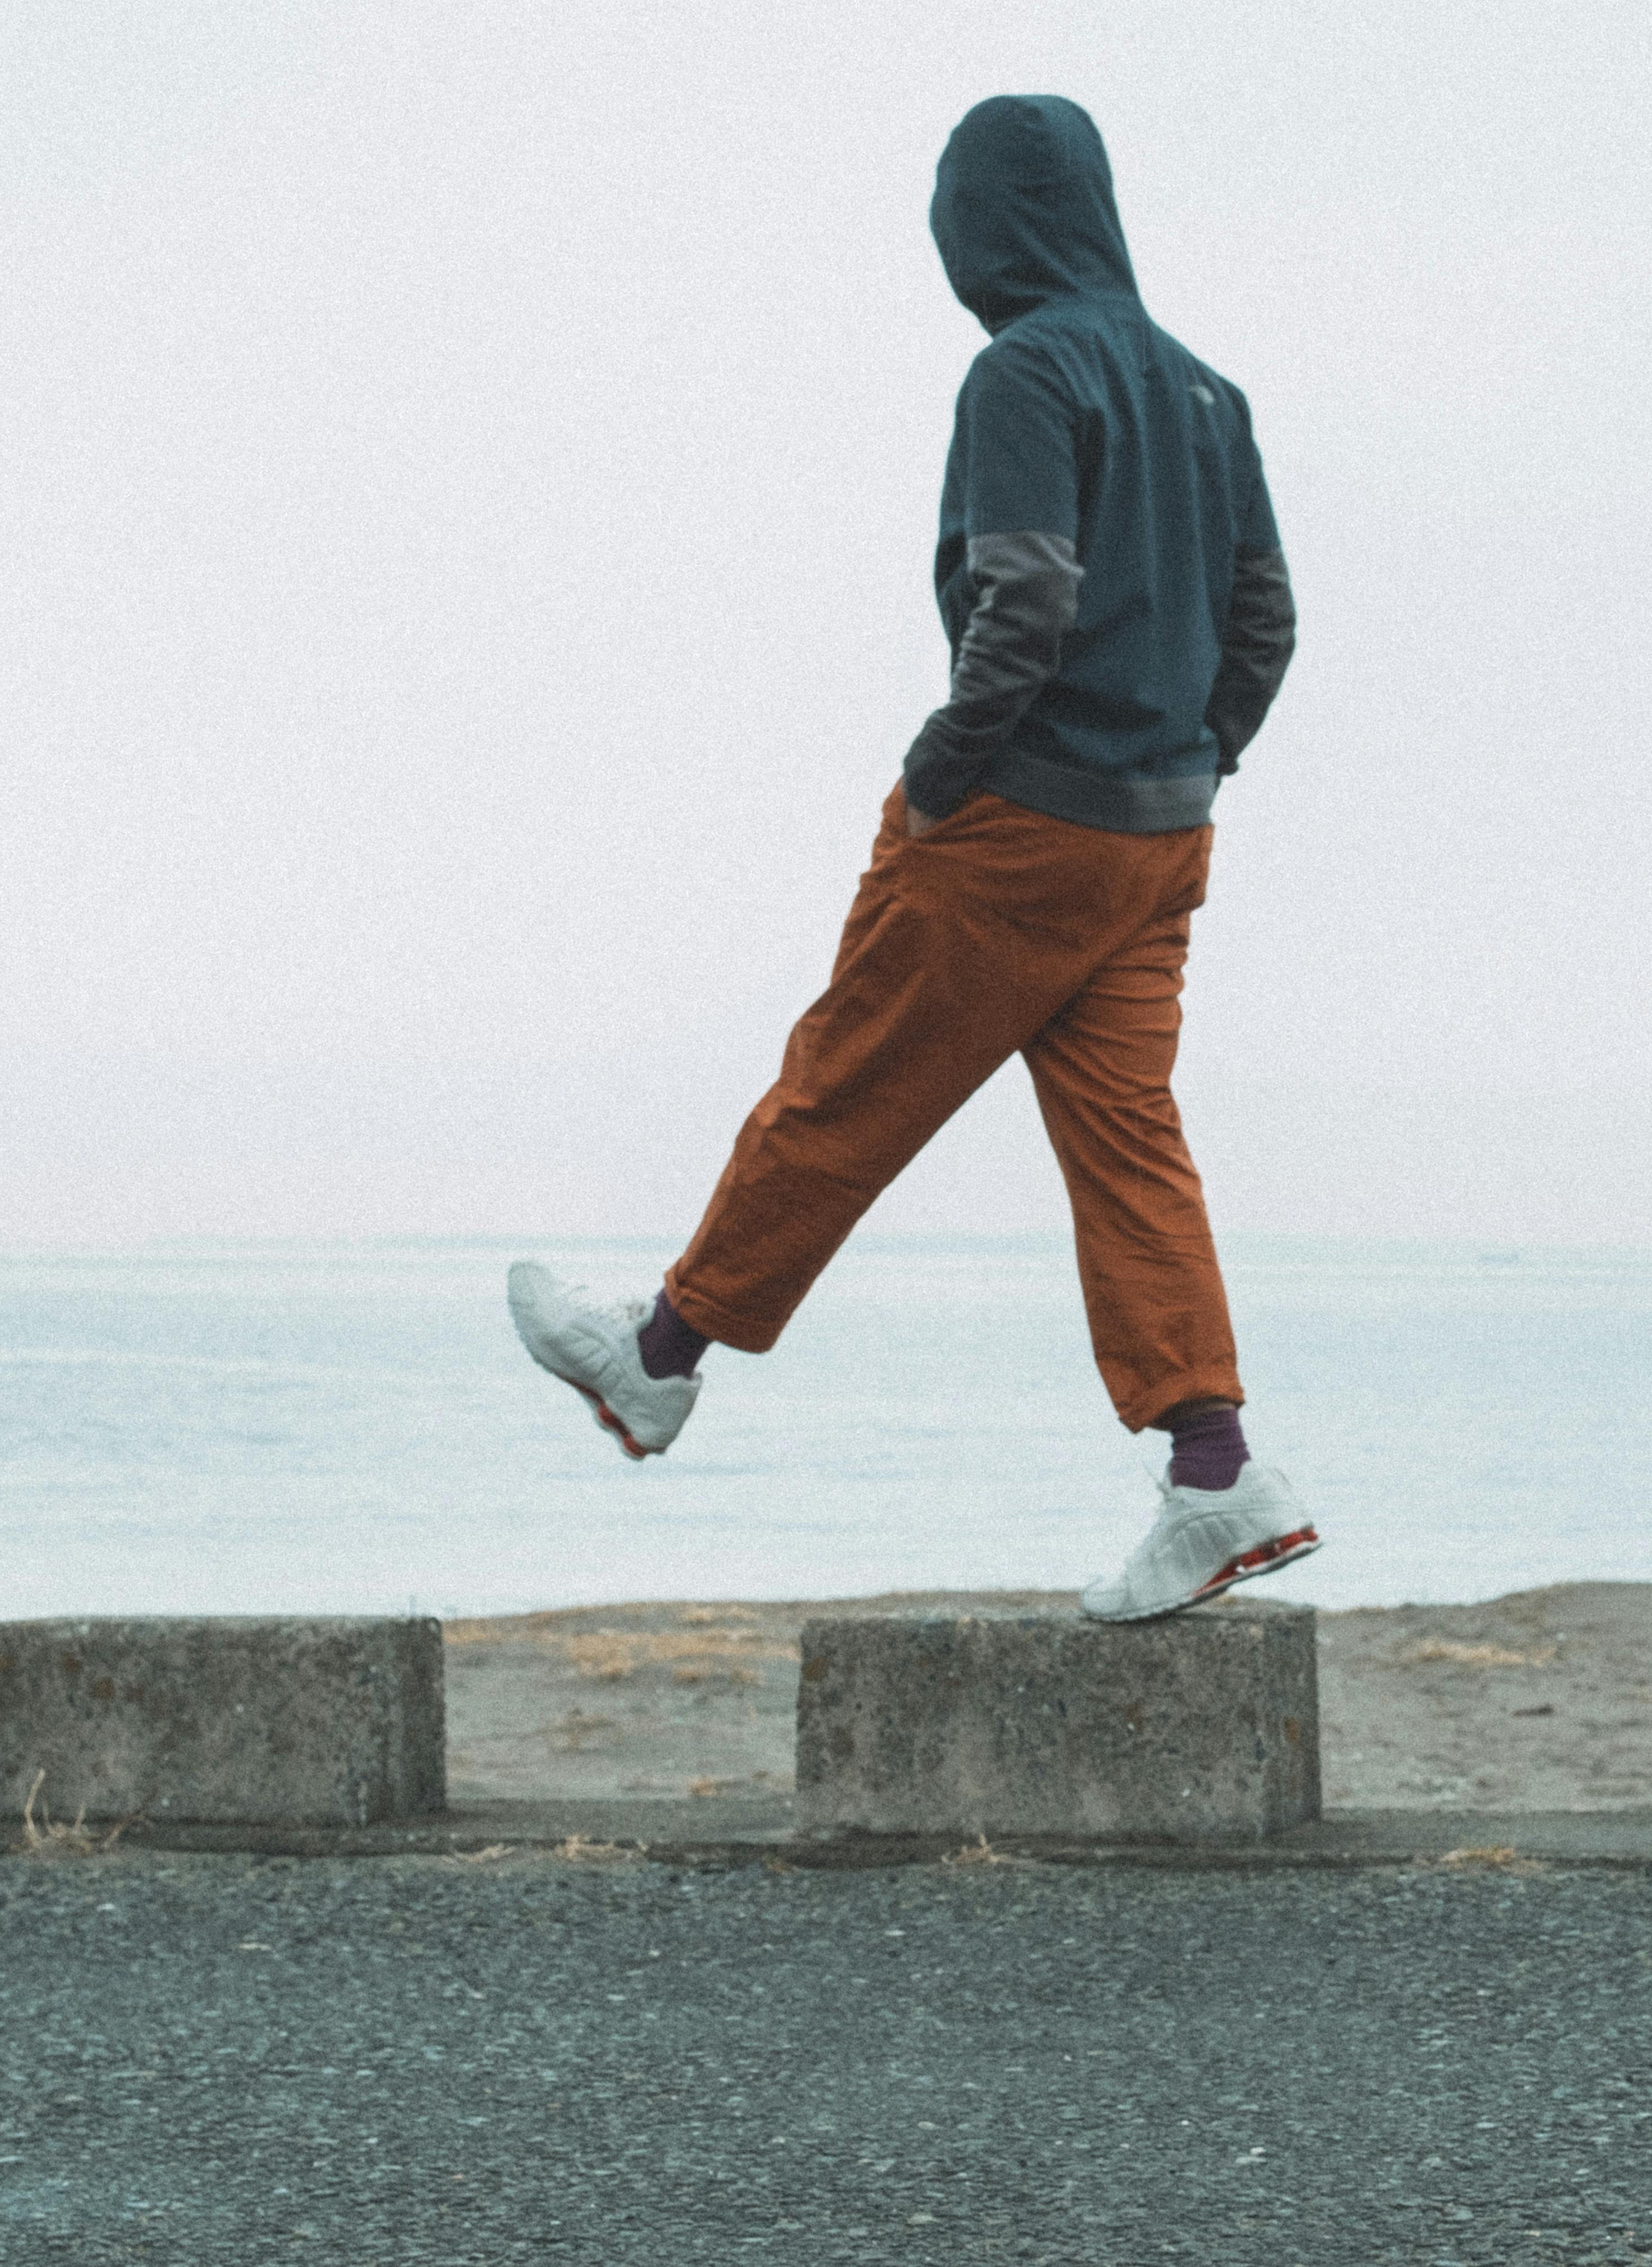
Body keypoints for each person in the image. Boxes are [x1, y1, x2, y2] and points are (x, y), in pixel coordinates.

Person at [508, 94, 1308, 1624]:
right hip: (1160, 837)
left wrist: (952, 771)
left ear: (986, 220)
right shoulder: (1209, 395)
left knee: (850, 1080)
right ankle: (1214, 1471)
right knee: (1128, 1144)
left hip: (1019, 817)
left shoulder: (1024, 371)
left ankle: (657, 1359)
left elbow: (1022, 597)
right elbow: (1263, 619)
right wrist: (1192, 759)